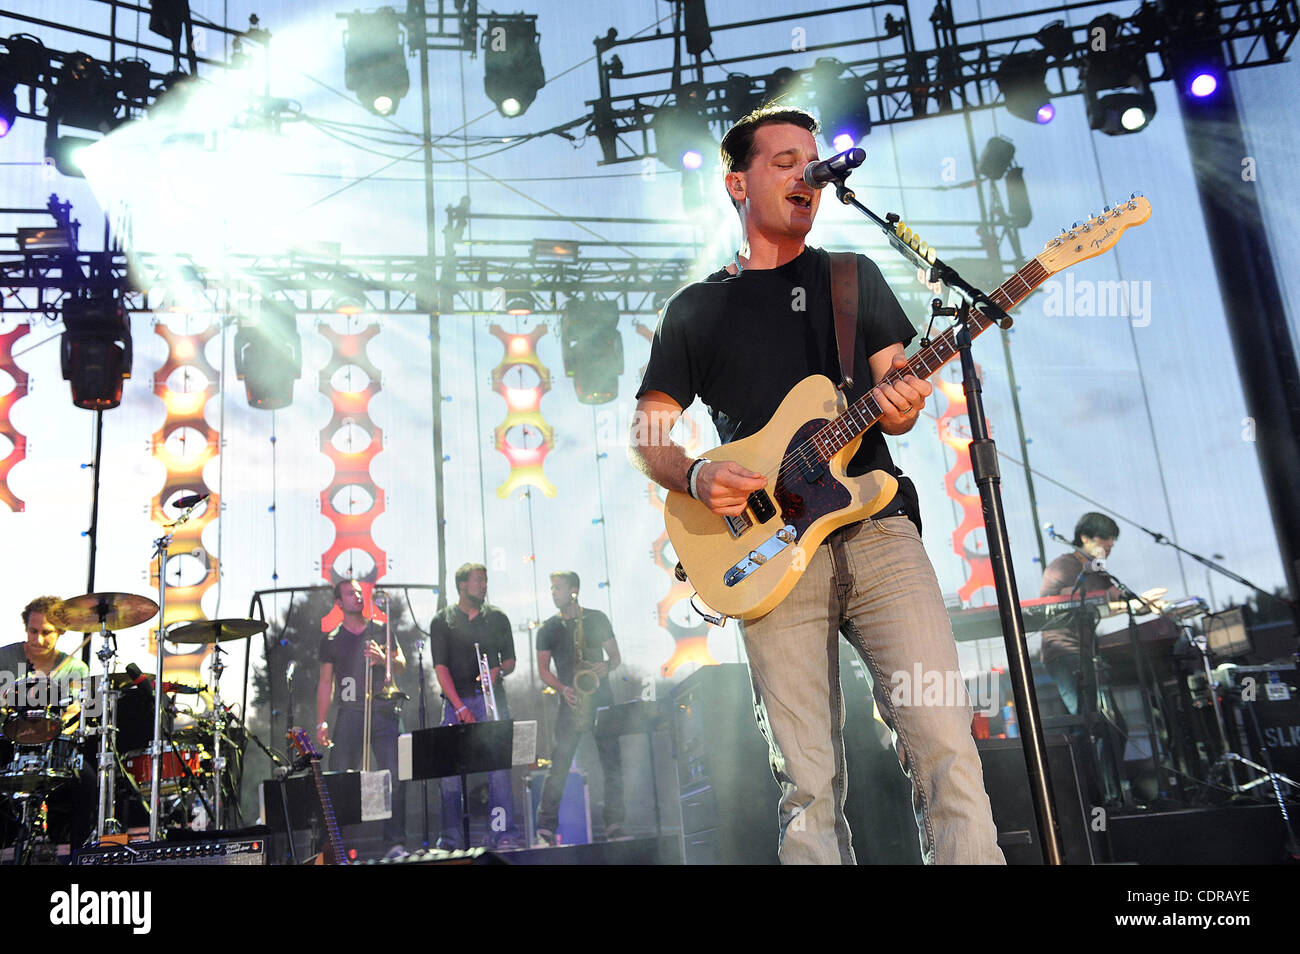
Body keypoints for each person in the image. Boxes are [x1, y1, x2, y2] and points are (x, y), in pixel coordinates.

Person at [628, 105, 1003, 864]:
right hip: (770, 552)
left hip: (877, 528)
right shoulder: (696, 309)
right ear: (737, 184)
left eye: (812, 159)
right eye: (784, 161)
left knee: (944, 742)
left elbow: (893, 407)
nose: (807, 174)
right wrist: (696, 472)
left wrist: (902, 402)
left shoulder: (850, 277)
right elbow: (646, 433)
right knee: (807, 782)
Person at [429, 563, 520, 849]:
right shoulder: (442, 620)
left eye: (485, 580)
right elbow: (440, 667)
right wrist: (458, 707)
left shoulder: (498, 618)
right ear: (462, 586)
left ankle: (502, 833)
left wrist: (495, 672)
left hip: (491, 699)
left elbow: (510, 661)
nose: (484, 585)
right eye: (479, 581)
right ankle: (451, 836)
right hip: (455, 702)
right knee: (450, 770)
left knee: (498, 768)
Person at [316, 579, 407, 857]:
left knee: (395, 774)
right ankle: (333, 845)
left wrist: (384, 661)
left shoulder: (381, 630)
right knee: (339, 778)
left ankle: (395, 843)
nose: (357, 596)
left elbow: (401, 664)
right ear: (339, 603)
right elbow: (325, 682)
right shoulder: (331, 639)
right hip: (350, 713)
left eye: (359, 591)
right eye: (350, 593)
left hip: (383, 711)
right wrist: (322, 720)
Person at [534, 571, 624, 845]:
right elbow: (542, 670)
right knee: (559, 764)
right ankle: (546, 829)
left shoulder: (596, 618)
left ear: (574, 590)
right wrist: (564, 689)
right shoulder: (548, 628)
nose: (553, 593)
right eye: (551, 588)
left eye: (557, 588)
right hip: (571, 699)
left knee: (611, 762)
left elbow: (616, 658)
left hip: (601, 696)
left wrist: (606, 666)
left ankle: (615, 824)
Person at [0, 596, 93, 850]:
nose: (38, 639)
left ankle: (73, 851)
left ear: (61, 632)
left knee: (87, 779)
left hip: (52, 748)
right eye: (33, 631)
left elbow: (76, 717)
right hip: (8, 745)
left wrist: (63, 720)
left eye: (47, 633)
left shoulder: (76, 669)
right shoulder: (5, 659)